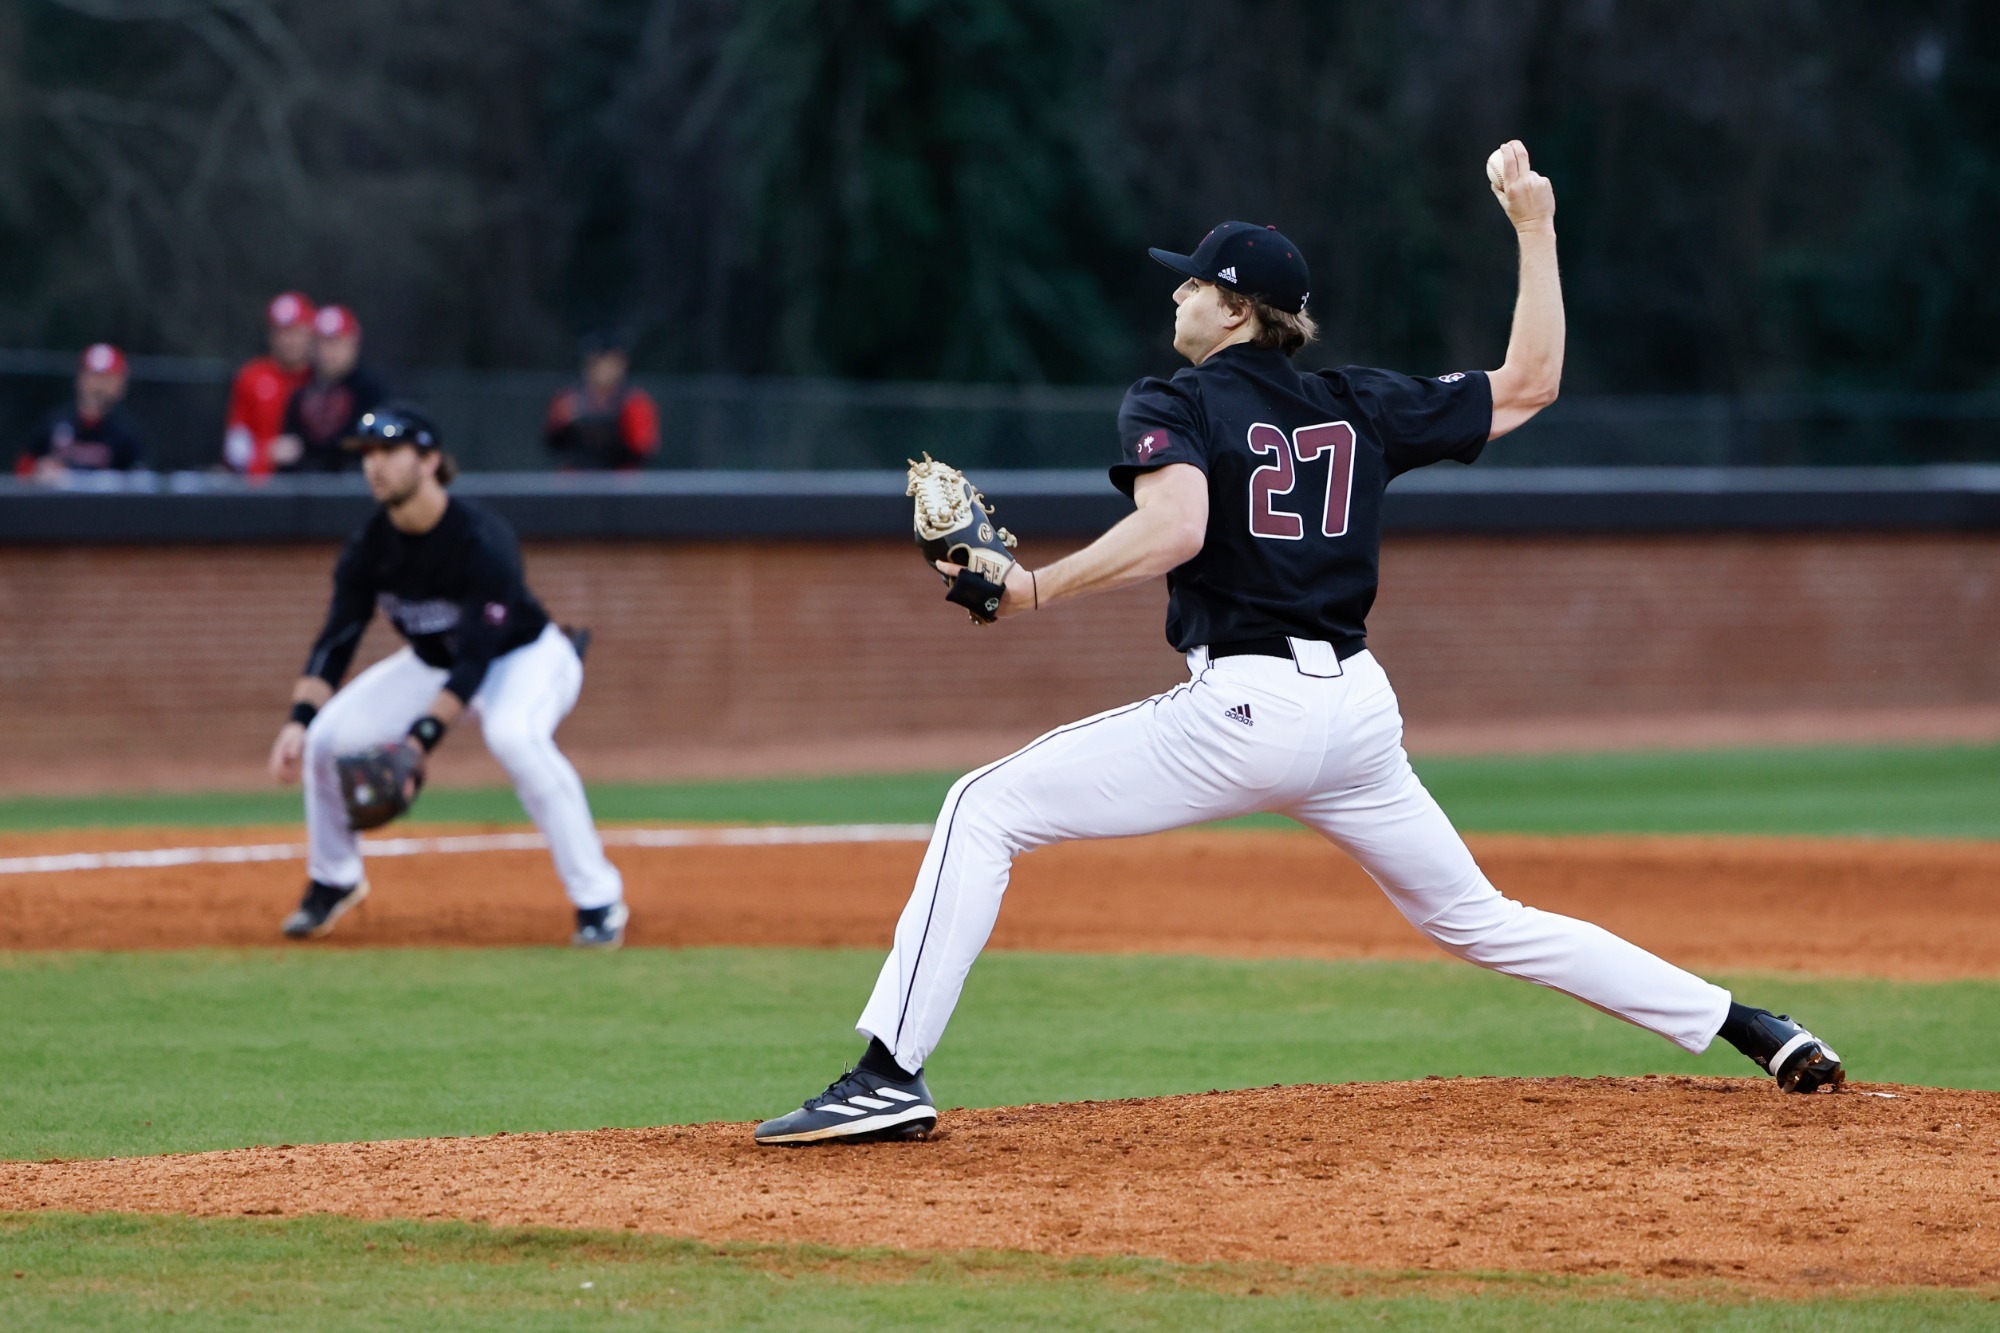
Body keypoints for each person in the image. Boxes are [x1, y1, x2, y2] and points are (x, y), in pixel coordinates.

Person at [753, 142, 1845, 1146]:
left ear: (1233, 307)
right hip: (1357, 715)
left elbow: (1176, 526)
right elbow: (1531, 383)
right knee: (1479, 917)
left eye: (1190, 281)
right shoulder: (1353, 402)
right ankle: (1750, 1024)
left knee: (978, 807)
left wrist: (1031, 587)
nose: (1175, 293)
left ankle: (889, 1072)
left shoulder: (1172, 397)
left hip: (1243, 708)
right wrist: (1533, 227)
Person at [265, 401, 630, 947]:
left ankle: (599, 900)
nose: (375, 465)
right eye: (367, 454)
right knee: (325, 741)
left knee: (514, 737)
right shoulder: (370, 546)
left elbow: (476, 660)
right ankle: (333, 880)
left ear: (430, 460)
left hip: (526, 659)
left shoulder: (481, 540)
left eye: (390, 450)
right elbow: (338, 637)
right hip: (433, 663)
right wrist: (298, 719)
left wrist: (420, 742)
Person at [273, 304, 387, 472]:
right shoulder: (302, 391)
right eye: (322, 343)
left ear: (353, 344)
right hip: (308, 488)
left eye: (336, 343)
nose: (328, 352)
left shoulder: (372, 390)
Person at [16, 343, 149, 478]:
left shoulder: (127, 432)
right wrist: (38, 471)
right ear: (80, 378)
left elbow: (140, 481)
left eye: (107, 378)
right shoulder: (55, 421)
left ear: (120, 384)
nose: (99, 385)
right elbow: (22, 469)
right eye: (94, 376)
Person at [223, 292, 317, 476]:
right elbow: (235, 447)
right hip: (261, 484)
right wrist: (267, 452)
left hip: (313, 482)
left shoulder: (322, 378)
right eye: (281, 331)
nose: (289, 340)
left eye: (296, 331)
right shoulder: (252, 375)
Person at [543, 335, 659, 470]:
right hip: (577, 479)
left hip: (620, 480)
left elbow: (643, 449)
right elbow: (553, 443)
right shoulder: (569, 399)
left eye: (610, 363)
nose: (603, 370)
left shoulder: (635, 402)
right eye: (597, 362)